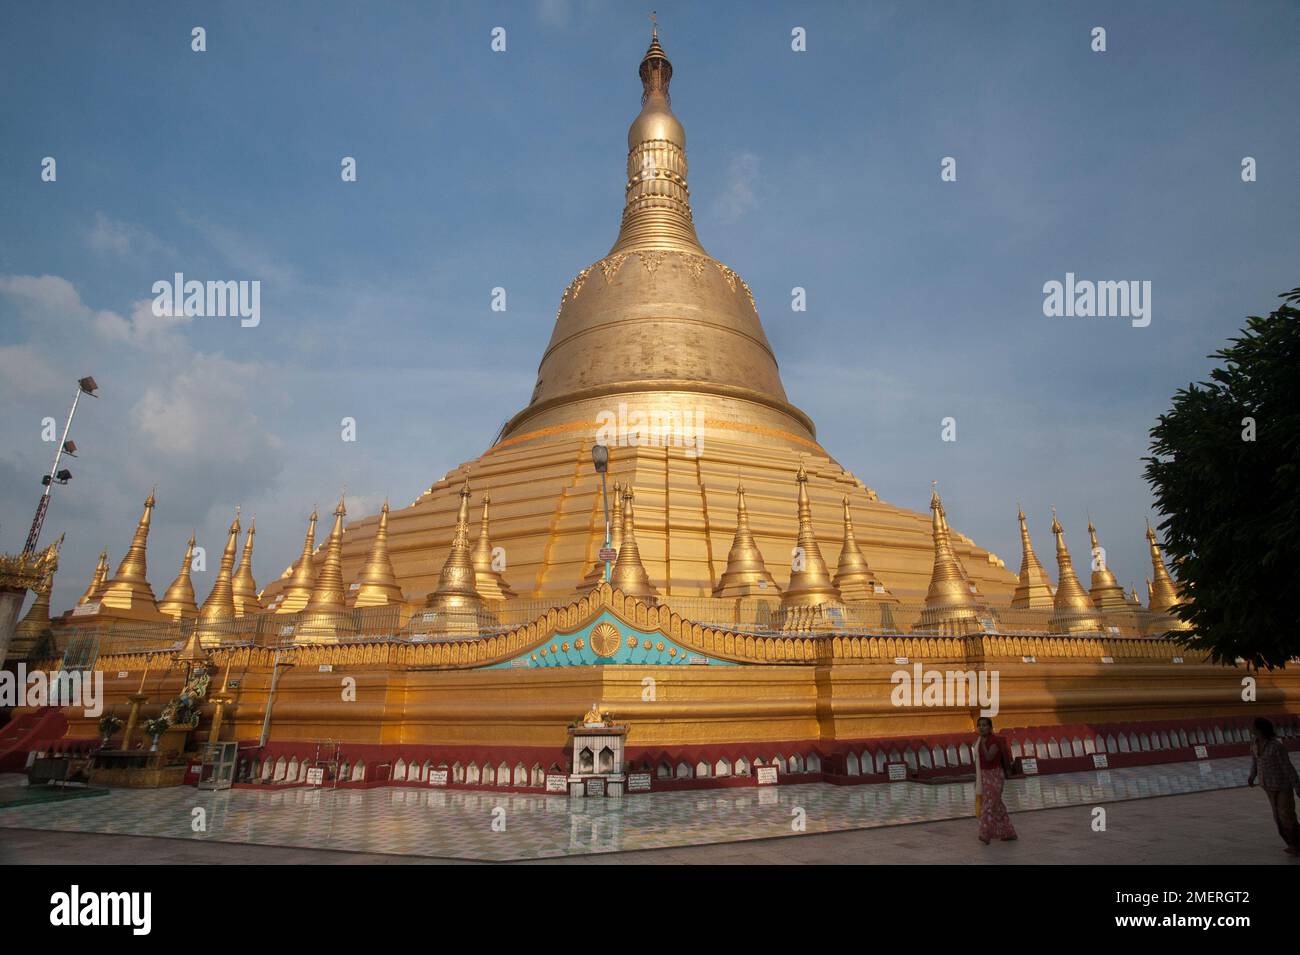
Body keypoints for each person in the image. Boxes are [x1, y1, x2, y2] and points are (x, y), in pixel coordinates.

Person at [1246, 717, 1300, 855]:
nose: (1250, 728)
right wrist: (1252, 776)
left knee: (1286, 815)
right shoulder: (1254, 743)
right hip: (1268, 785)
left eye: (1252, 726)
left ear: (1259, 729)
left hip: (1282, 785)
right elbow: (1255, 761)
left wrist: (1297, 785)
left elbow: (1287, 766)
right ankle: (1291, 843)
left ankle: (1297, 844)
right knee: (1277, 817)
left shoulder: (1276, 746)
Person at [974, 716, 1018, 844]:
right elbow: (978, 761)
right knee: (997, 806)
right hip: (984, 775)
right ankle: (1009, 832)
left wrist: (983, 744)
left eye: (984, 725)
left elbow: (989, 757)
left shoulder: (994, 741)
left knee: (988, 805)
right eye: (979, 725)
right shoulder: (978, 741)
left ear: (990, 727)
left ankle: (985, 833)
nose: (981, 728)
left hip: (994, 775)